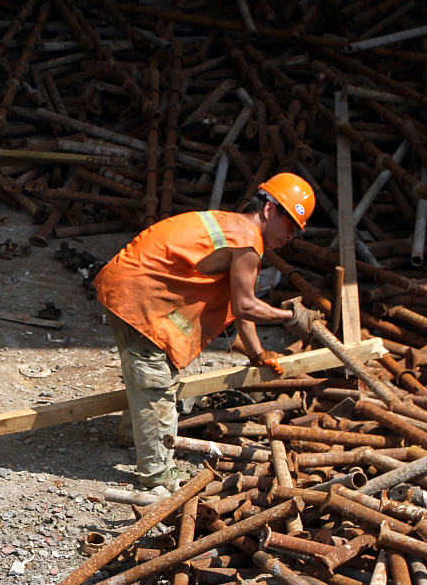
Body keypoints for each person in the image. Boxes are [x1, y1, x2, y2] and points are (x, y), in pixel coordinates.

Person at [93, 173, 321, 491]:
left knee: (153, 377)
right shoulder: (247, 244)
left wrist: (258, 354)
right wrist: (291, 316)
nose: (292, 236)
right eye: (291, 225)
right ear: (270, 210)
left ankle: (132, 433)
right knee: (156, 382)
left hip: (136, 286)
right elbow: (246, 306)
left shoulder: (236, 229)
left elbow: (240, 303)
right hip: (139, 295)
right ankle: (158, 473)